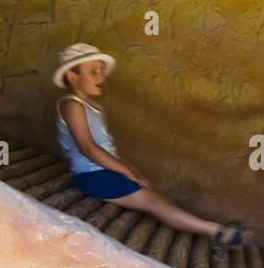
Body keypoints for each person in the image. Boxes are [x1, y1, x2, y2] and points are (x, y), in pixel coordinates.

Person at [53, 43, 251, 250]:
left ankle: (208, 228)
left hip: (105, 171)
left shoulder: (92, 107)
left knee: (159, 198)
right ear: (71, 75)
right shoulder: (70, 104)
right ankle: (220, 233)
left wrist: (132, 170)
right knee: (155, 203)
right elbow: (88, 148)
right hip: (92, 176)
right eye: (93, 72)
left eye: (101, 72)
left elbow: (107, 149)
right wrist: (127, 171)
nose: (101, 78)